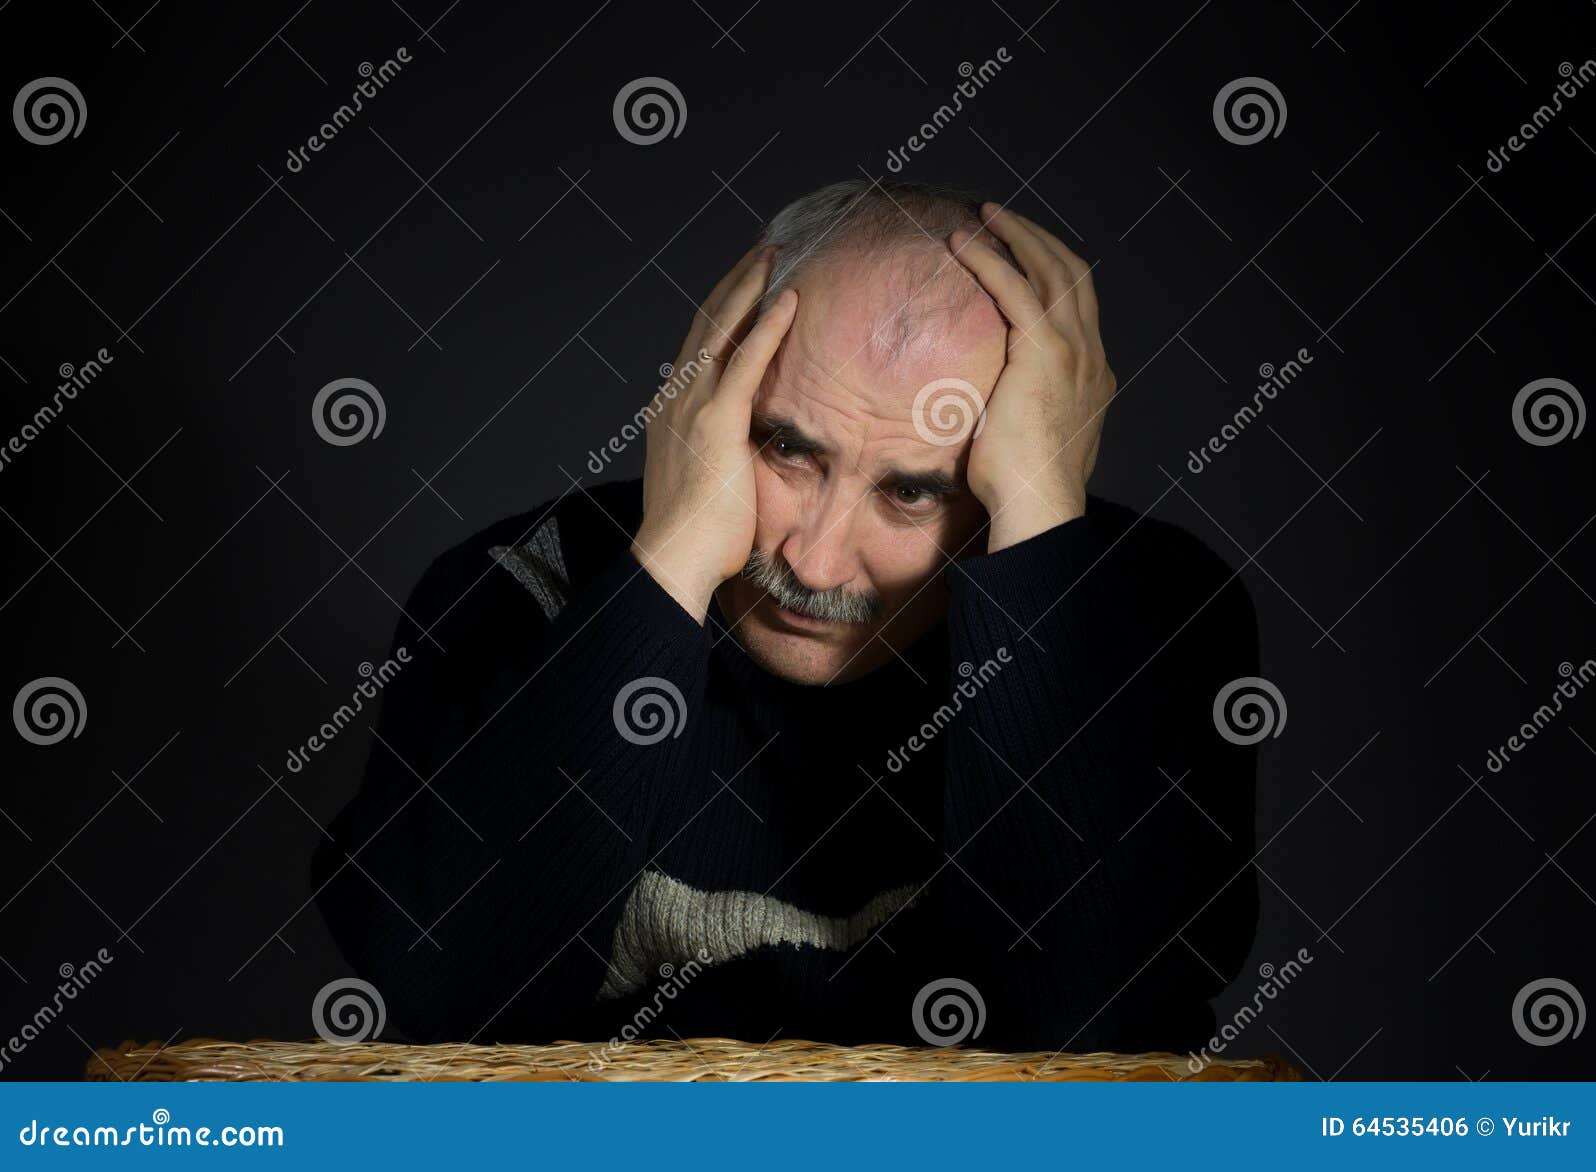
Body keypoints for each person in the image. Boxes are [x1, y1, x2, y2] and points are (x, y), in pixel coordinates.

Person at [312, 180, 1260, 1054]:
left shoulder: (1156, 611)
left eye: (911, 494)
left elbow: (1103, 1039)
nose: (812, 558)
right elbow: (441, 1007)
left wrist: (1044, 543)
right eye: (786, 450)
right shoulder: (523, 582)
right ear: (713, 390)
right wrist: (674, 550)